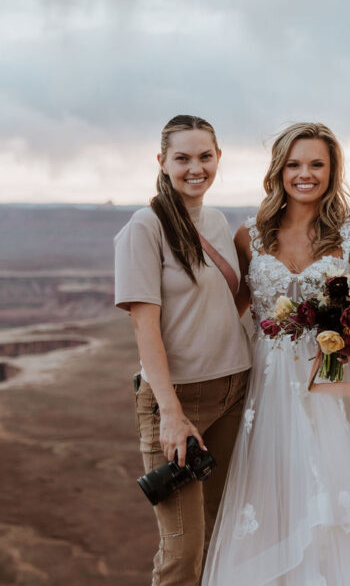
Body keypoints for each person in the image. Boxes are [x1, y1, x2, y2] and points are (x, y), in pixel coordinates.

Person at [202, 122, 350, 585]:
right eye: (294, 164)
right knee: (278, 502)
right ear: (279, 171)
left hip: (331, 389)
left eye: (316, 164)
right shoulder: (250, 236)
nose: (305, 174)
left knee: (335, 506)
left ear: (332, 172)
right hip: (268, 394)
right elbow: (228, 315)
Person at [114, 115, 252, 584]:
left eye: (205, 156)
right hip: (178, 403)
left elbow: (230, 303)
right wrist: (171, 413)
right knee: (182, 552)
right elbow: (144, 327)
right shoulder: (144, 228)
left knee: (223, 537)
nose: (196, 167)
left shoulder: (216, 221)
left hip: (235, 393)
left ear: (218, 158)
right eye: (183, 158)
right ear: (162, 162)